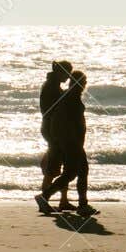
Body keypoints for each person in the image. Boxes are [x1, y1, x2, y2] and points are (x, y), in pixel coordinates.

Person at [47, 70, 98, 217]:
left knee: (77, 172)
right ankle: (46, 197)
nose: (85, 84)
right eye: (83, 82)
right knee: (72, 173)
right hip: (71, 143)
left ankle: (82, 204)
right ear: (77, 82)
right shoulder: (71, 97)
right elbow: (64, 122)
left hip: (72, 142)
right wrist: (69, 141)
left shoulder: (70, 96)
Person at [35, 61, 72, 213]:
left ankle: (63, 200)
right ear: (60, 73)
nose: (69, 76)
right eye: (67, 73)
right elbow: (53, 110)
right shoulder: (51, 88)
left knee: (63, 164)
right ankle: (44, 199)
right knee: (54, 165)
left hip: (53, 129)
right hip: (53, 129)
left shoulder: (53, 86)